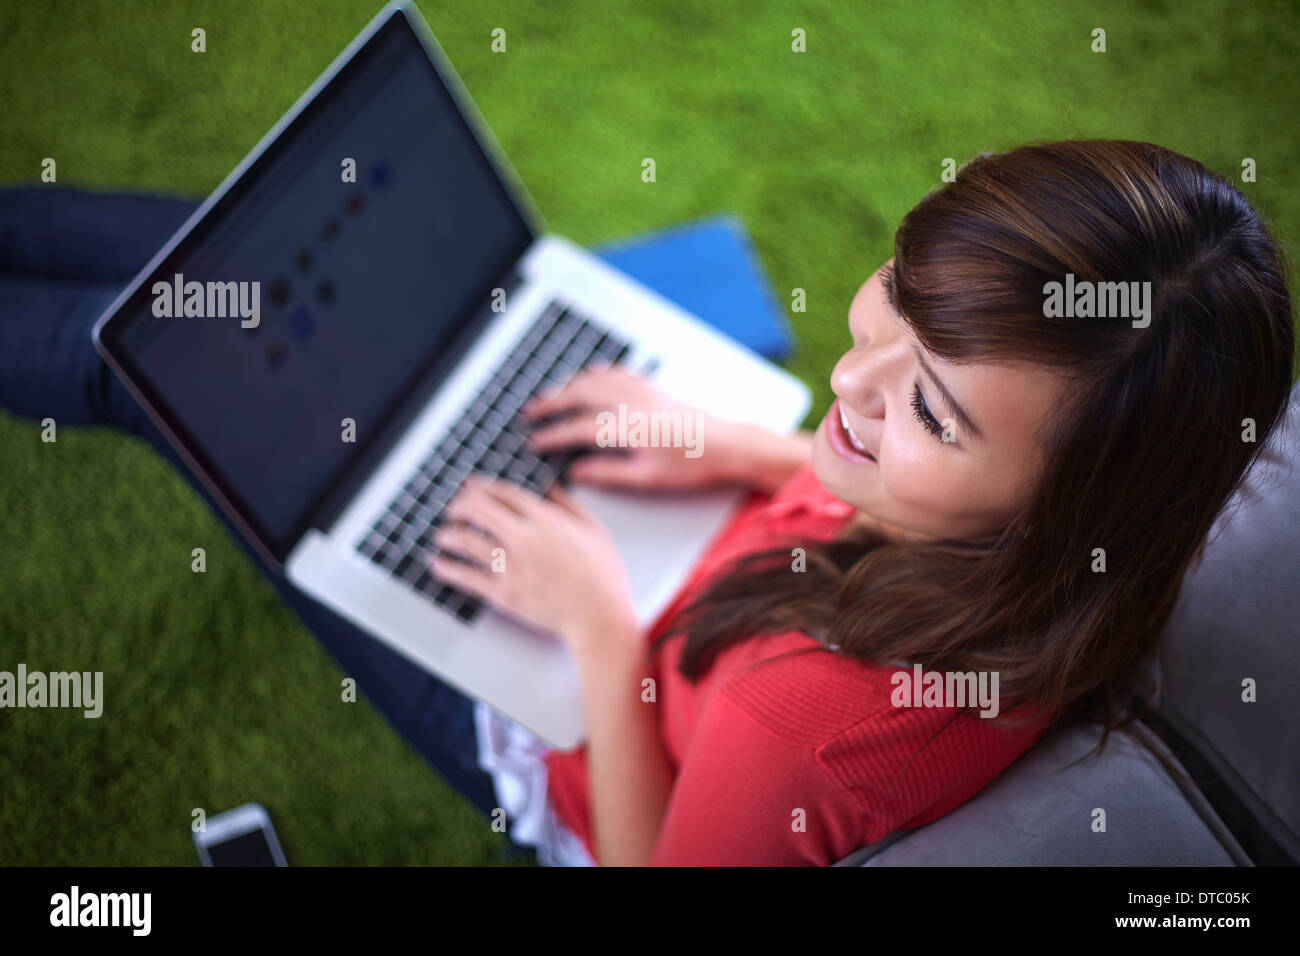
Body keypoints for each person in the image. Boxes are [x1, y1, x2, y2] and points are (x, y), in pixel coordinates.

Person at [2, 139, 1294, 867]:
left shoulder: (806, 725)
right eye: (901, 293)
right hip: (688, 569)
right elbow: (885, 476)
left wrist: (599, 633)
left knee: (157, 372)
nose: (848, 378)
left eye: (934, 413)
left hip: (574, 710)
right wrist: (738, 444)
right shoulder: (1091, 554)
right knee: (234, 266)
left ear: (1060, 509)